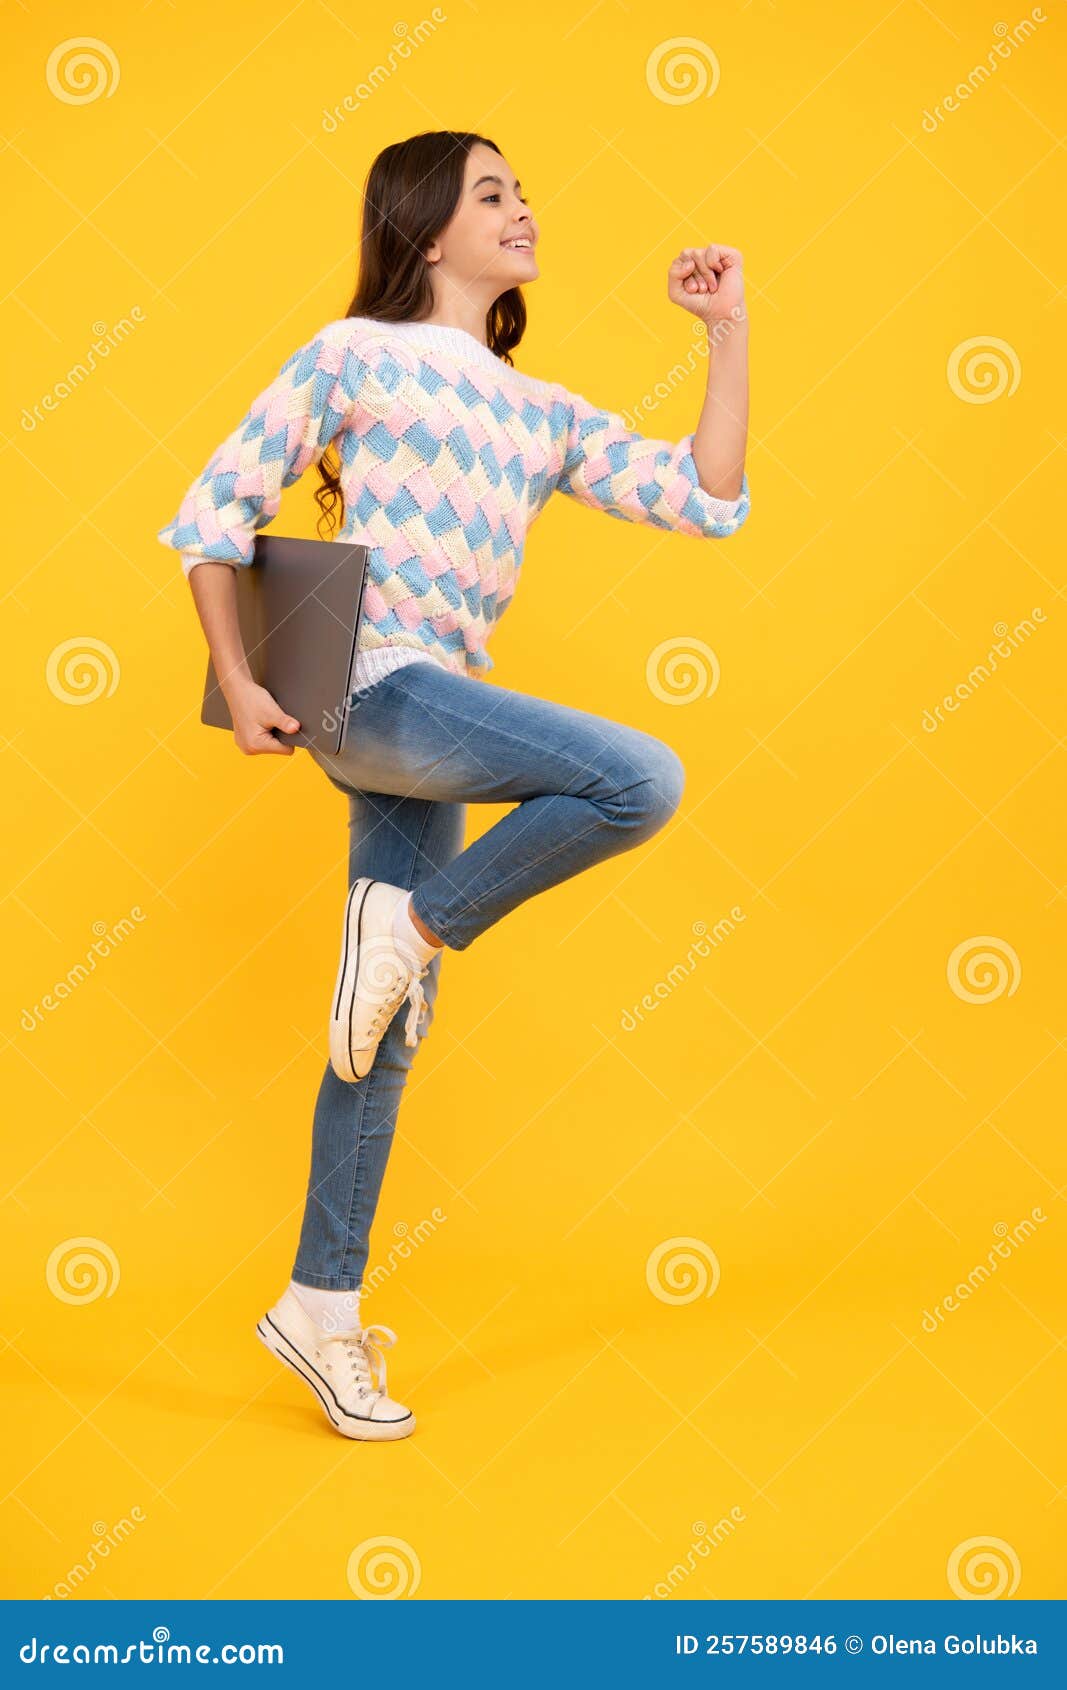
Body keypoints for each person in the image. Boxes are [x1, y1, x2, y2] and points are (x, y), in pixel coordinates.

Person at [156, 129, 751, 1442]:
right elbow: (212, 511)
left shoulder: (537, 412)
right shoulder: (354, 354)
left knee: (381, 1025)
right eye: (495, 193)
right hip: (369, 685)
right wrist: (241, 680)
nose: (525, 208)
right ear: (428, 230)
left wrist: (725, 332)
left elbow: (704, 498)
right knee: (640, 778)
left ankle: (321, 1301)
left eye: (527, 190)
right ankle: (415, 927)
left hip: (432, 717)